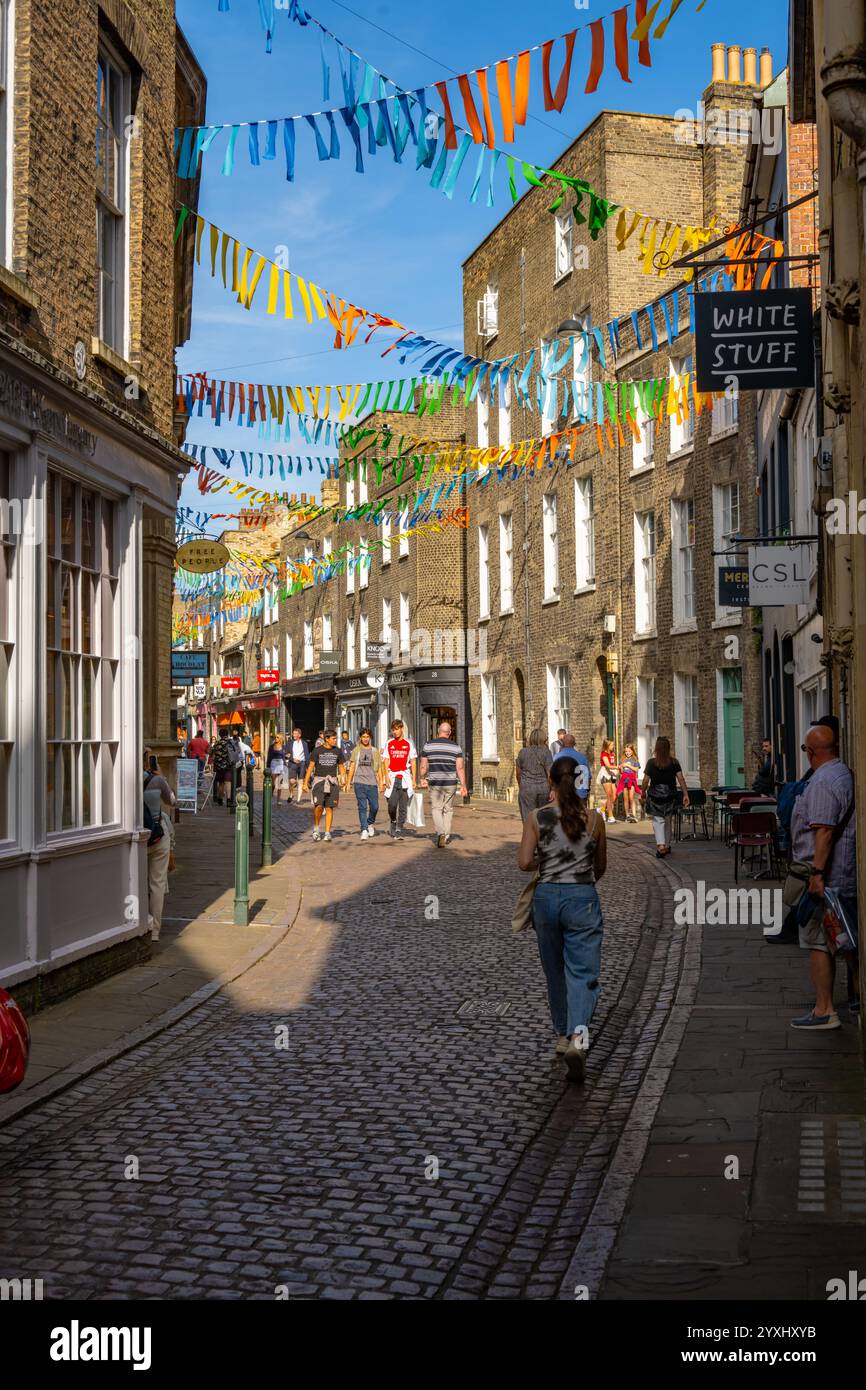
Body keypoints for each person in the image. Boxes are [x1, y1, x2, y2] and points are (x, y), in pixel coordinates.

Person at [518, 755, 607, 1083]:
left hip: (546, 899)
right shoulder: (595, 819)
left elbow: (524, 862)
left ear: (550, 782)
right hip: (582, 897)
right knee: (583, 973)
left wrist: (546, 859)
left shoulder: (536, 817)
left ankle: (561, 1034)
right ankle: (578, 1040)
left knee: (554, 968)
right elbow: (601, 867)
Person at [790, 724, 857, 1030]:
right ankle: (855, 997)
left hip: (828, 877)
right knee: (846, 939)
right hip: (845, 871)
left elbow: (824, 831)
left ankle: (824, 1010)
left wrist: (816, 874)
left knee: (818, 941)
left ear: (811, 752)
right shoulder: (843, 771)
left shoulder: (821, 782)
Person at [143, 749, 176, 942]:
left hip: (138, 836)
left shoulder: (123, 777)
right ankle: (155, 930)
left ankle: (139, 922)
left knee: (138, 882)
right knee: (157, 884)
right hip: (158, 834)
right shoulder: (157, 780)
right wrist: (162, 776)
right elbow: (172, 801)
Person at [419, 720, 468, 848]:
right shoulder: (456, 747)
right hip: (450, 783)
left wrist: (422, 778)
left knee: (436, 808)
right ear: (450, 733)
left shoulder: (428, 745)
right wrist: (463, 785)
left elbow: (424, 765)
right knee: (448, 809)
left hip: (435, 782)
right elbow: (460, 767)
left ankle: (440, 832)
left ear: (438, 731)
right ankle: (446, 836)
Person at [642, 737, 690, 857]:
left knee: (658, 820)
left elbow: (645, 780)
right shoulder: (674, 762)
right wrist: (685, 794)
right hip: (670, 795)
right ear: (668, 748)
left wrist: (643, 791)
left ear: (656, 748)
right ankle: (667, 846)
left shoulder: (651, 763)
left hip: (655, 795)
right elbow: (681, 779)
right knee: (668, 819)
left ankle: (661, 845)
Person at [302, 729, 347, 842]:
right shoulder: (317, 751)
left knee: (329, 808)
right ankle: (316, 828)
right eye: (333, 739)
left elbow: (341, 766)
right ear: (326, 739)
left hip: (332, 781)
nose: (335, 741)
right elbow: (311, 767)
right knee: (318, 806)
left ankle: (327, 832)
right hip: (319, 781)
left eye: (336, 738)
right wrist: (305, 783)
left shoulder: (337, 751)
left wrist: (343, 778)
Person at [382, 719, 417, 839]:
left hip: (405, 779)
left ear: (402, 728)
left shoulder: (408, 744)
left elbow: (413, 761)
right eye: (393, 730)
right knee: (391, 804)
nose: (395, 732)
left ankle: (399, 828)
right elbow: (386, 760)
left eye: (397, 729)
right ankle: (393, 820)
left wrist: (414, 779)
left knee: (403, 807)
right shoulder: (389, 743)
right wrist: (386, 777)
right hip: (393, 777)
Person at [346, 728, 383, 838]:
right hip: (359, 782)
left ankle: (370, 822)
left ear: (370, 737)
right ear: (360, 738)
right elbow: (352, 766)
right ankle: (364, 829)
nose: (365, 739)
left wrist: (381, 783)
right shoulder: (356, 750)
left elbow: (379, 768)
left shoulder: (374, 751)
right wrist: (348, 782)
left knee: (375, 807)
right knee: (362, 807)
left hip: (372, 783)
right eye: (363, 737)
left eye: (367, 737)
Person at [516, 730, 553, 821]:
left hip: (527, 788)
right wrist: (552, 789)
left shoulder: (523, 752)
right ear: (543, 739)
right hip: (543, 788)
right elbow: (550, 774)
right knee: (543, 819)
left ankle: (529, 834)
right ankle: (541, 834)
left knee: (528, 819)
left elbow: (518, 772)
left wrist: (521, 785)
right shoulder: (546, 752)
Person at [556, 734, 591, 802]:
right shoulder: (582, 758)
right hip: (580, 795)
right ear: (574, 744)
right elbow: (588, 778)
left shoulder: (556, 757)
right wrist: (586, 792)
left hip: (563, 795)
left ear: (562, 744)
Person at [616, 743, 642, 822]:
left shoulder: (635, 760)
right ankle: (627, 816)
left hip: (632, 780)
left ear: (632, 751)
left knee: (631, 797)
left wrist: (627, 765)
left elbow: (636, 769)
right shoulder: (622, 760)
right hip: (624, 780)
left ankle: (634, 815)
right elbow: (621, 771)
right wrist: (621, 768)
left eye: (629, 751)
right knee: (626, 798)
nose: (628, 753)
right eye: (626, 751)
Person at [212, 727, 237, 806]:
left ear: (220, 735)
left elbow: (211, 752)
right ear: (227, 734)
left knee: (221, 783)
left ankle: (220, 799)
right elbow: (236, 751)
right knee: (228, 782)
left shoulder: (217, 743)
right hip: (228, 765)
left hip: (219, 766)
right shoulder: (231, 742)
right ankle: (229, 799)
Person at [287, 726, 310, 803]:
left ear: (299, 735)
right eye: (293, 734)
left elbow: (307, 754)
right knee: (292, 781)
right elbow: (286, 753)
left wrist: (308, 765)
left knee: (300, 781)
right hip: (293, 763)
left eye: (295, 734)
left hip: (302, 763)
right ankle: (291, 794)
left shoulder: (304, 743)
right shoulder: (290, 743)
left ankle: (298, 799)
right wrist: (292, 759)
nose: (294, 735)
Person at [599, 739, 619, 824]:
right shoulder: (604, 754)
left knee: (614, 795)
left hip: (611, 774)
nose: (613, 746)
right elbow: (608, 766)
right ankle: (610, 816)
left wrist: (616, 771)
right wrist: (618, 767)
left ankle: (602, 809)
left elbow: (612, 766)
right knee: (609, 795)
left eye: (613, 745)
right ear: (607, 745)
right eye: (611, 745)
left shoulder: (612, 754)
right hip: (605, 775)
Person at [266, 733, 288, 803]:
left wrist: (288, 757)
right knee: (273, 783)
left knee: (280, 783)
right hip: (273, 764)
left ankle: (278, 799)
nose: (276, 738)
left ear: (281, 738)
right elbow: (269, 757)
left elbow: (286, 755)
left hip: (281, 764)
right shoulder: (271, 746)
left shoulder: (284, 747)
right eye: (275, 737)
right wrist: (268, 766)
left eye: (277, 737)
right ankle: (271, 794)